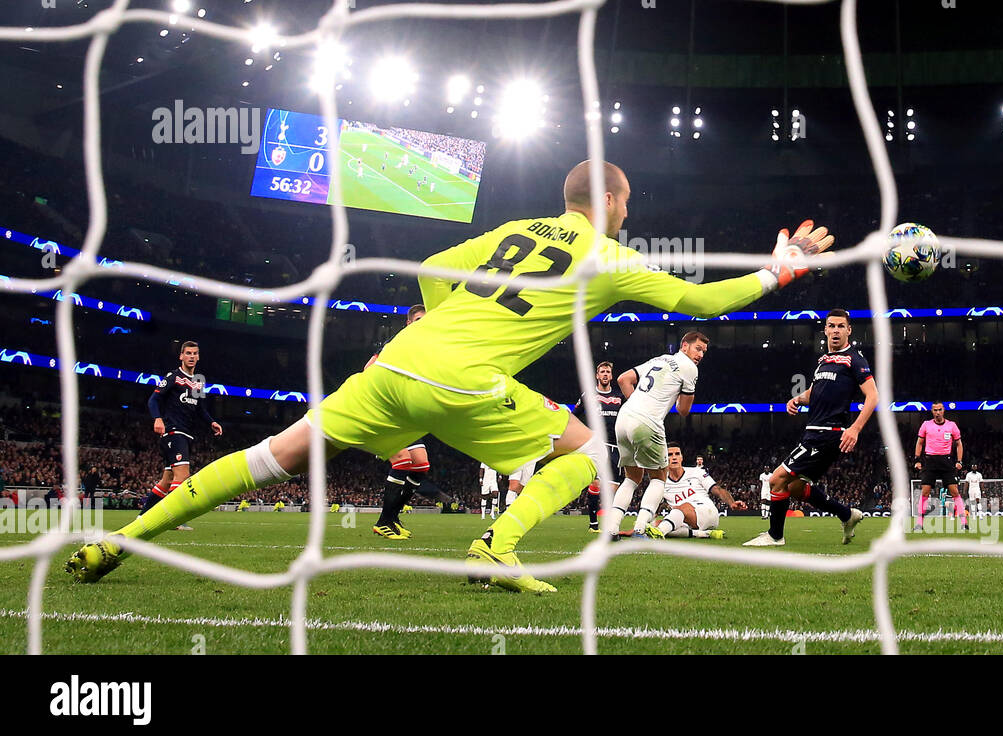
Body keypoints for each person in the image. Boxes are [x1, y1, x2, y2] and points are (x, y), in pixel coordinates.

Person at [67, 160, 832, 592]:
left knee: (277, 455)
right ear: (606, 201)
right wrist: (777, 273)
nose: (627, 215)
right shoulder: (607, 253)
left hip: (398, 362)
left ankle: (119, 543)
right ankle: (497, 544)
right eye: (626, 203)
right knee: (586, 455)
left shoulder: (515, 229)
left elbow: (431, 266)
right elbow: (699, 299)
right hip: (465, 379)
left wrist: (435, 327)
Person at [745, 309, 872, 547]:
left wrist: (854, 429)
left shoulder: (854, 359)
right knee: (794, 488)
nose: (835, 330)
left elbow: (873, 396)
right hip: (814, 432)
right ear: (824, 330)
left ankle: (775, 535)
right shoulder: (823, 360)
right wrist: (798, 399)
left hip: (827, 434)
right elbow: (815, 391)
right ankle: (846, 514)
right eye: (831, 326)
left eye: (840, 326)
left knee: (776, 480)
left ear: (849, 330)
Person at [610, 331, 708, 538]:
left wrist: (637, 404)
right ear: (684, 346)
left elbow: (623, 379)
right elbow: (683, 410)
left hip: (624, 417)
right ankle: (640, 527)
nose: (700, 355)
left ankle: (611, 527)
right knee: (658, 477)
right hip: (647, 421)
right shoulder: (690, 368)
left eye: (704, 352)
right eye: (698, 349)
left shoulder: (661, 358)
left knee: (632, 477)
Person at [141, 341, 223, 531]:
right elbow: (154, 399)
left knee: (167, 480)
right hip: (173, 431)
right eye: (188, 353)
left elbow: (200, 408)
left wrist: (211, 421)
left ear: (199, 356)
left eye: (195, 353)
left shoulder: (199, 380)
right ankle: (173, 519)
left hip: (186, 433)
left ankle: (143, 515)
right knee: (183, 476)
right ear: (181, 356)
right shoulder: (174, 377)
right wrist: (157, 419)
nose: (192, 356)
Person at [368, 304, 430, 540]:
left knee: (421, 465)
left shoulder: (425, 350)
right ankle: (384, 521)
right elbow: (368, 370)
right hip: (384, 410)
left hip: (404, 414)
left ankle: (392, 518)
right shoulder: (395, 344)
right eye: (417, 320)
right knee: (402, 461)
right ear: (408, 323)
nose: (421, 324)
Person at [651, 445, 746, 539]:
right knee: (656, 524)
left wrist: (732, 502)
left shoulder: (697, 472)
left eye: (677, 454)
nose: (674, 457)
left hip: (707, 512)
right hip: (684, 518)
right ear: (664, 459)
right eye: (670, 455)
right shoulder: (662, 482)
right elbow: (656, 505)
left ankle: (658, 533)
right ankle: (703, 534)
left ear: (681, 457)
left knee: (680, 509)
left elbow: (718, 490)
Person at [578, 361, 624, 532]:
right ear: (597, 375)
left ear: (611, 376)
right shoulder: (588, 395)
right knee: (596, 484)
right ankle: (593, 524)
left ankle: (610, 525)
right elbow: (574, 416)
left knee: (613, 488)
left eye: (608, 372)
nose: (605, 374)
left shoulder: (620, 396)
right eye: (602, 372)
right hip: (596, 444)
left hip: (615, 446)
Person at [913, 402, 968, 531]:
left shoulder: (951, 425)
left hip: (946, 461)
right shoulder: (926, 425)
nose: (937, 412)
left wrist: (959, 461)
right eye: (935, 410)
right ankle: (919, 524)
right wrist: (917, 459)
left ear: (944, 410)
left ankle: (964, 523)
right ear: (932, 411)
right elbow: (919, 443)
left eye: (940, 410)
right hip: (930, 460)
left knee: (954, 492)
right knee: (925, 492)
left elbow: (959, 444)